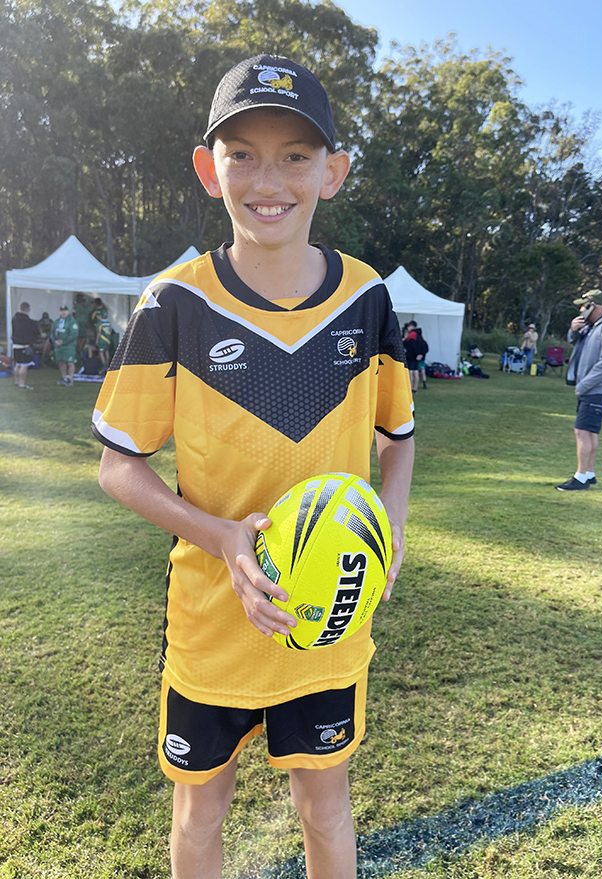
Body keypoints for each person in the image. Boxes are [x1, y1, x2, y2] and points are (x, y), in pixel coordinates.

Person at [92, 54, 415, 879]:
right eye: (242, 153)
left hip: (327, 615)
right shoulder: (174, 302)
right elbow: (118, 466)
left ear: (333, 172)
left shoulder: (366, 297)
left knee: (325, 802)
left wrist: (393, 531)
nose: (267, 179)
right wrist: (224, 537)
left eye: (296, 155)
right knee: (201, 808)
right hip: (212, 615)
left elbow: (398, 434)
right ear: (209, 170)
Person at [556, 290, 602, 491]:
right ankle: (589, 473)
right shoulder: (593, 325)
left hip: (598, 388)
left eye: (583, 306)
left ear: (593, 305)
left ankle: (580, 478)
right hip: (593, 387)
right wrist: (573, 330)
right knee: (590, 431)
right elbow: (575, 342)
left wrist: (584, 384)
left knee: (582, 431)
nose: (580, 309)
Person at [11, 301, 41, 390]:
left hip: (15, 345)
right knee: (24, 365)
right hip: (25, 346)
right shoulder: (29, 321)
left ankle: (16, 382)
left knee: (18, 364)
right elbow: (36, 332)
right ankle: (22, 384)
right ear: (28, 310)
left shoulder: (14, 319)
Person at [51, 304, 79, 386]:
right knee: (61, 361)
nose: (63, 313)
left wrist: (64, 342)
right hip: (58, 346)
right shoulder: (57, 321)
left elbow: (73, 335)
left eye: (65, 311)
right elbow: (52, 332)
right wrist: (55, 341)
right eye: (61, 311)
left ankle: (70, 379)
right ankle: (64, 377)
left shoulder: (72, 322)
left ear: (68, 312)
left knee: (70, 362)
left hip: (68, 346)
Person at [403, 321, 421, 392]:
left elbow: (411, 345)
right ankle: (415, 388)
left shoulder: (412, 335)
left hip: (411, 356)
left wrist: (416, 354)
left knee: (410, 372)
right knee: (415, 372)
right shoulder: (418, 334)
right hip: (416, 356)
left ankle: (409, 388)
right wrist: (420, 354)